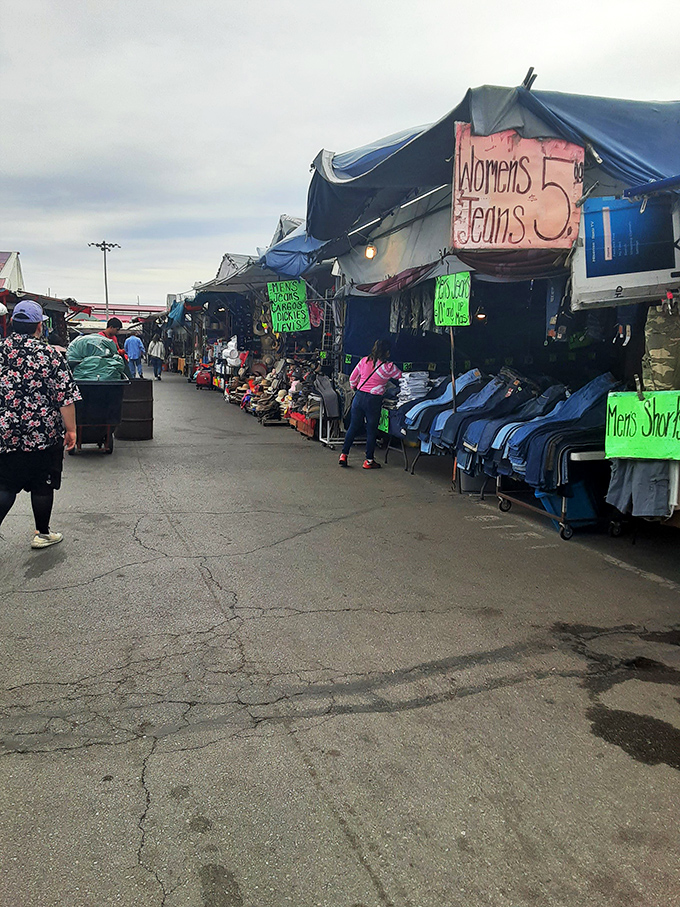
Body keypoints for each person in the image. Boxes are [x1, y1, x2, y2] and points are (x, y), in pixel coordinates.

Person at [0, 300, 80, 549]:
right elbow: (65, 398)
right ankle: (42, 534)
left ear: (12, 324)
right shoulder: (51, 356)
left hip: (5, 432)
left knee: (5, 484)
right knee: (43, 483)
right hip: (44, 433)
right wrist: (71, 430)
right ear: (39, 327)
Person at [339, 339, 402, 470]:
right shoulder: (389, 367)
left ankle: (343, 455)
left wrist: (354, 387)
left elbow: (352, 378)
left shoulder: (364, 361)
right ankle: (368, 460)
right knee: (371, 430)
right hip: (374, 400)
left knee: (353, 427)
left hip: (359, 396)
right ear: (387, 352)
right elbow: (402, 378)